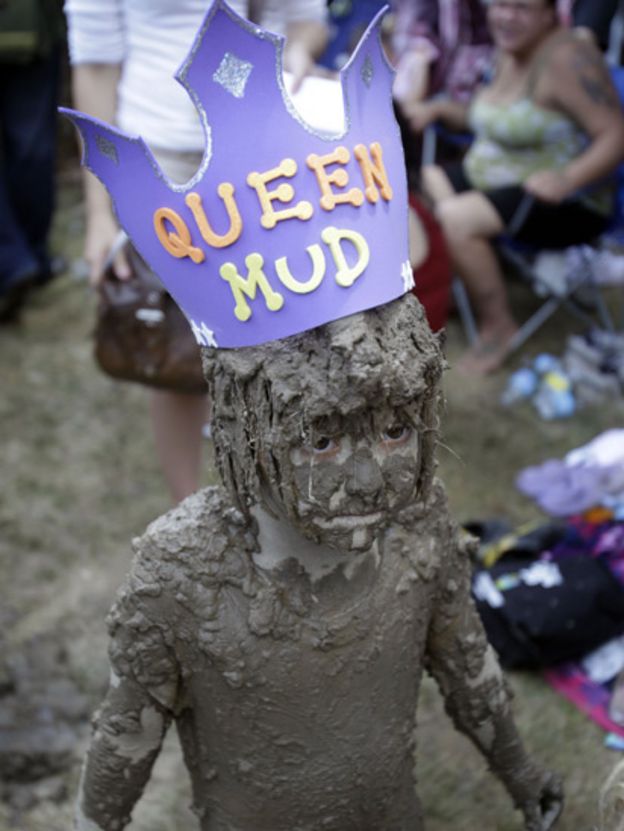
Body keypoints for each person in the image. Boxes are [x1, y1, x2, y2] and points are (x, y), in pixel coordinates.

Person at [74, 295, 563, 831]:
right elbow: (125, 739)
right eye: (323, 440)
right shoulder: (185, 576)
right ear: (248, 429)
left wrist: (522, 770)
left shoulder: (418, 529)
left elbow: (469, 668)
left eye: (396, 430)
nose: (369, 480)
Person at [64, 0, 328, 503]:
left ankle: (282, 503)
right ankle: (193, 516)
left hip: (270, 155)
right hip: (160, 167)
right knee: (176, 352)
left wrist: (300, 49)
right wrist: (99, 210)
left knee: (285, 342)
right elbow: (96, 64)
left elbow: (306, 17)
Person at [417, 0, 624, 373]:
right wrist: (442, 110)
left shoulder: (568, 58)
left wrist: (568, 178)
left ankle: (498, 325)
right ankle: (462, 274)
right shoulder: (508, 49)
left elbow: (615, 134)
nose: (506, 15)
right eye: (500, 4)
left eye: (521, 7)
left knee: (456, 217)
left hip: (562, 202)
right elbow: (494, 116)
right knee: (427, 177)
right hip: (499, 181)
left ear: (550, 13)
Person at [0, 0, 65, 322]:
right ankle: (30, 258)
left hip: (30, 26)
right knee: (32, 147)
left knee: (32, 148)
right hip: (32, 26)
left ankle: (14, 260)